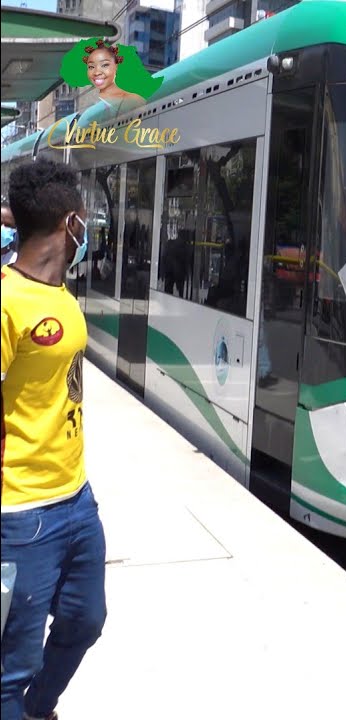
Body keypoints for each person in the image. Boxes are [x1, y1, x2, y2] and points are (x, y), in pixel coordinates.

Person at [1, 158, 107, 720]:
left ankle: (40, 708)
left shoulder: (60, 293)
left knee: (86, 620)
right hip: (21, 515)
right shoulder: (5, 302)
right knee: (10, 667)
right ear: (71, 224)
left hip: (76, 501)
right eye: (84, 220)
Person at [82, 39, 145, 118]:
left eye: (105, 65)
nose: (97, 72)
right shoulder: (92, 111)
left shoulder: (136, 101)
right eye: (91, 67)